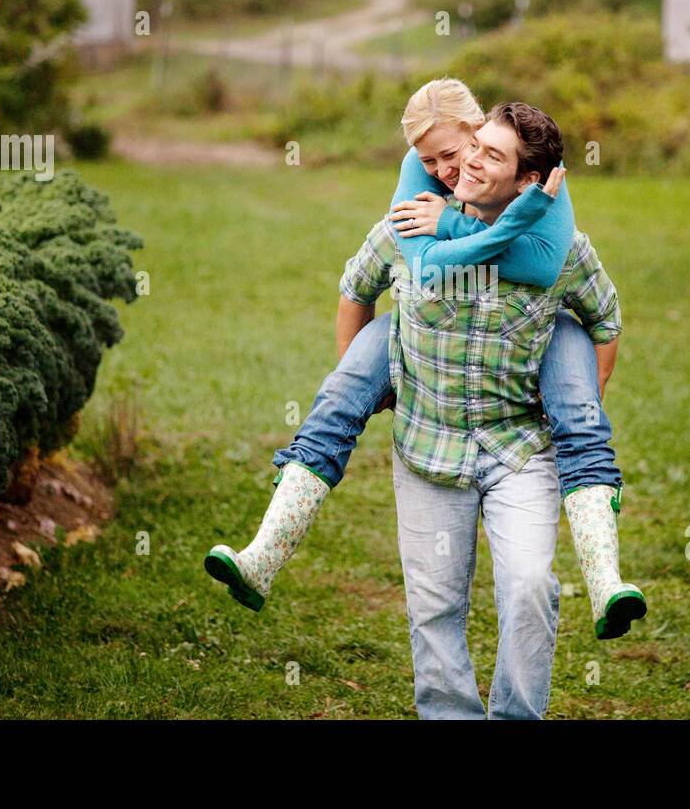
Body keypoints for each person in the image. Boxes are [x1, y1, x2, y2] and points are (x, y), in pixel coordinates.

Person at [205, 79, 644, 643]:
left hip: (516, 445)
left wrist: (582, 398)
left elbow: (604, 317)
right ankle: (263, 556)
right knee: (337, 407)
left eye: (460, 153)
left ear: (484, 136)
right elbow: (357, 287)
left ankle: (606, 580)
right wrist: (371, 377)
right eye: (427, 159)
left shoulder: (558, 242)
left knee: (535, 574)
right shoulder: (413, 214)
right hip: (430, 439)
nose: (442, 169)